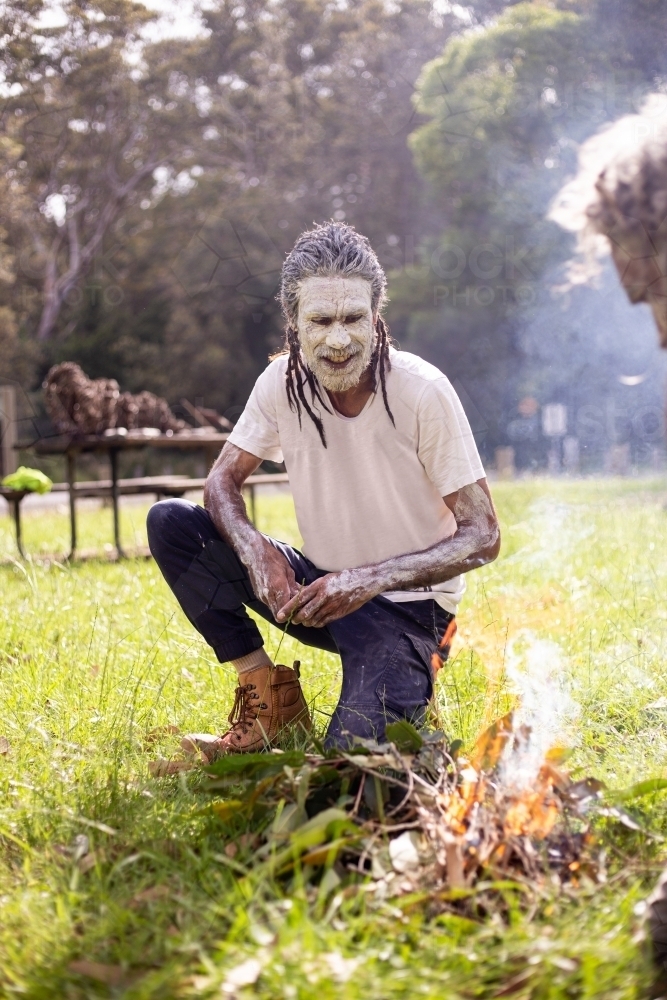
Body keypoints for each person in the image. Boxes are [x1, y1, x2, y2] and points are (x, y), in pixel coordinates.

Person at [147, 222, 500, 757]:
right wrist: (256, 552)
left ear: (376, 317)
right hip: (317, 593)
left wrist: (367, 579)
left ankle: (409, 687)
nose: (338, 339)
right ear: (293, 323)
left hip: (411, 609)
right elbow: (221, 480)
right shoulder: (281, 382)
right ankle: (270, 700)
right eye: (320, 320)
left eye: (354, 318)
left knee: (347, 764)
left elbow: (484, 536)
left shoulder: (421, 390)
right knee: (173, 523)